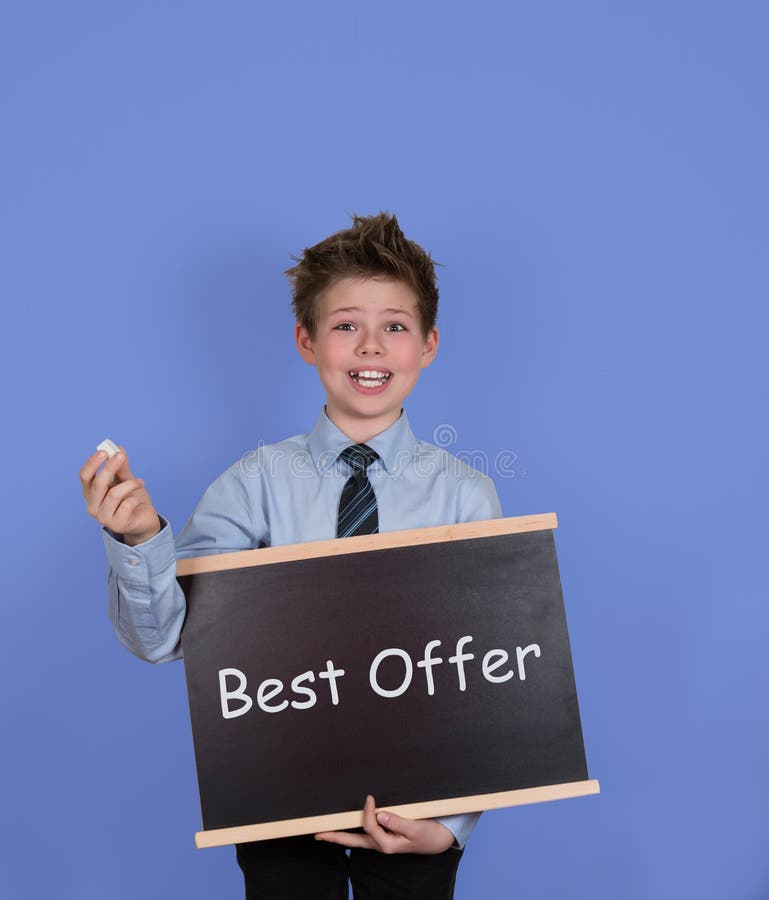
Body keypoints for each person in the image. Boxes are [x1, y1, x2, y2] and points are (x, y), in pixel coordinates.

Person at [79, 212, 502, 899]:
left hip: (415, 806)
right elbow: (166, 640)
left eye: (394, 326)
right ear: (307, 342)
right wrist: (138, 540)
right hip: (278, 799)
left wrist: (449, 826)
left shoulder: (466, 494)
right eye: (345, 326)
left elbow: (489, 676)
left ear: (427, 345)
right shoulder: (253, 484)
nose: (370, 347)